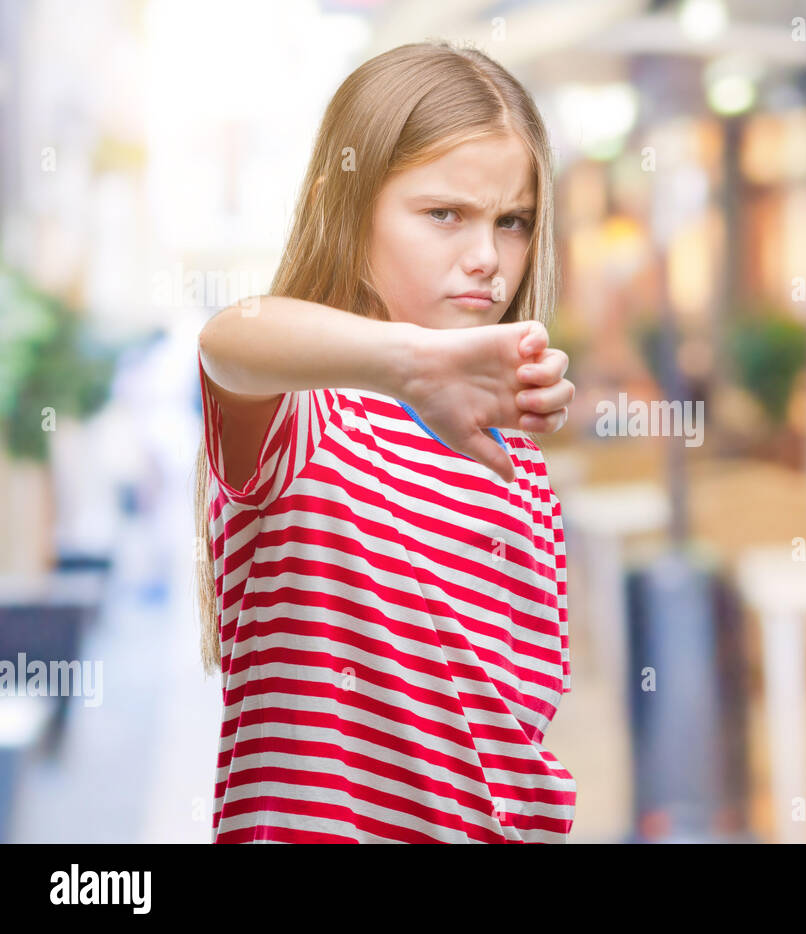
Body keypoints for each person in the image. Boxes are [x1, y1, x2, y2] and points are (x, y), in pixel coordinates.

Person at [192, 41, 576, 843]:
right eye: (445, 214)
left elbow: (509, 742)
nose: (486, 259)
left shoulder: (518, 464)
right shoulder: (313, 418)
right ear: (350, 205)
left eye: (513, 223)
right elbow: (229, 342)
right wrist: (412, 362)